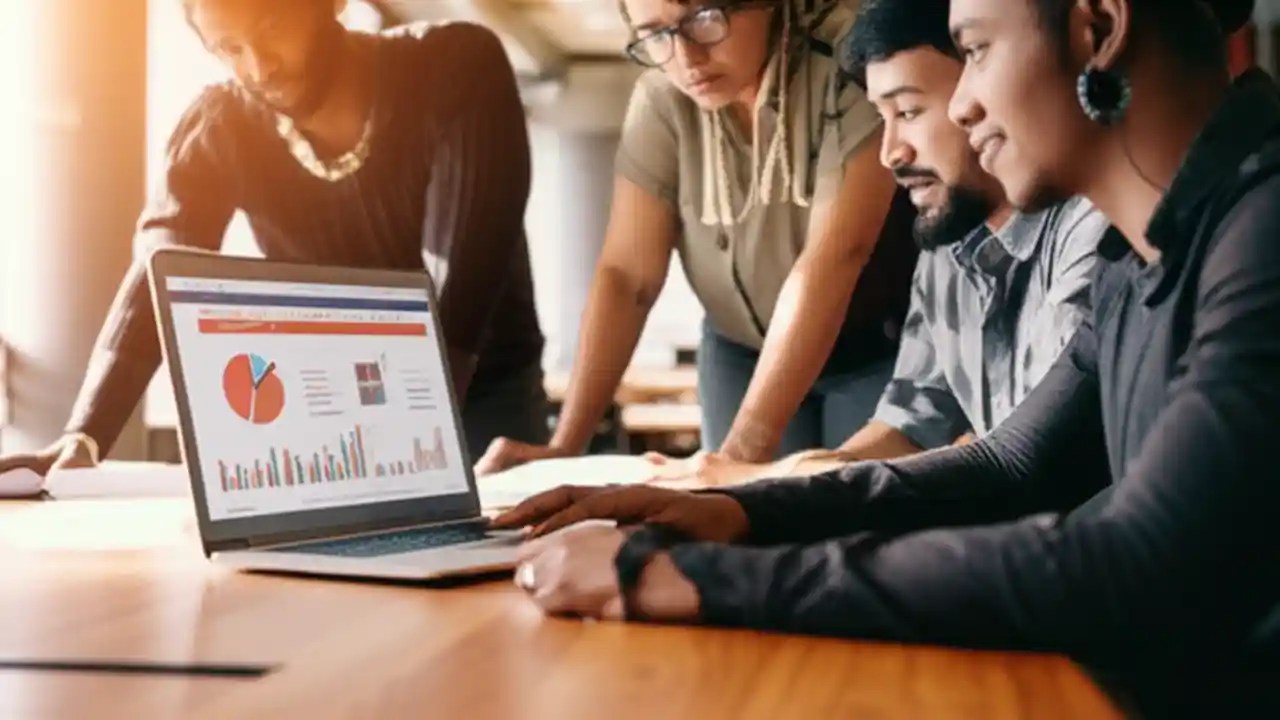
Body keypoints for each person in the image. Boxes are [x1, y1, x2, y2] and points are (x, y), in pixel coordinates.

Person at [496, 0, 1280, 679]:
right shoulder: (1136, 256)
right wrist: (740, 510)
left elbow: (1141, 566)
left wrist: (687, 579)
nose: (964, 104)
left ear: (1098, 27)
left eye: (972, 51)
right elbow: (1010, 465)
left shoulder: (1263, 230)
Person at [0, 0, 547, 477]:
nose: (258, 67)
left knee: (491, 566)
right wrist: (84, 435)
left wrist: (398, 450)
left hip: (479, 384)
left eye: (269, 31)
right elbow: (160, 273)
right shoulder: (222, 127)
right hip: (333, 393)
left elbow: (458, 282)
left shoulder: (454, 68)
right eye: (230, 48)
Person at [646, 0, 1108, 487]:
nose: (890, 153)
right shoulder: (946, 251)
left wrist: (783, 474)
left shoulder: (1093, 233)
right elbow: (908, 428)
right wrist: (765, 483)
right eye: (881, 117)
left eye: (907, 111)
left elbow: (1027, 457)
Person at [475, 0, 920, 474]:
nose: (685, 58)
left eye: (705, 19)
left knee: (848, 512)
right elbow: (628, 277)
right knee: (738, 521)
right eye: (655, 34)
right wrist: (566, 445)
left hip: (872, 349)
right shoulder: (662, 99)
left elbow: (835, 256)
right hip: (737, 351)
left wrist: (741, 452)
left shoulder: (848, 66)